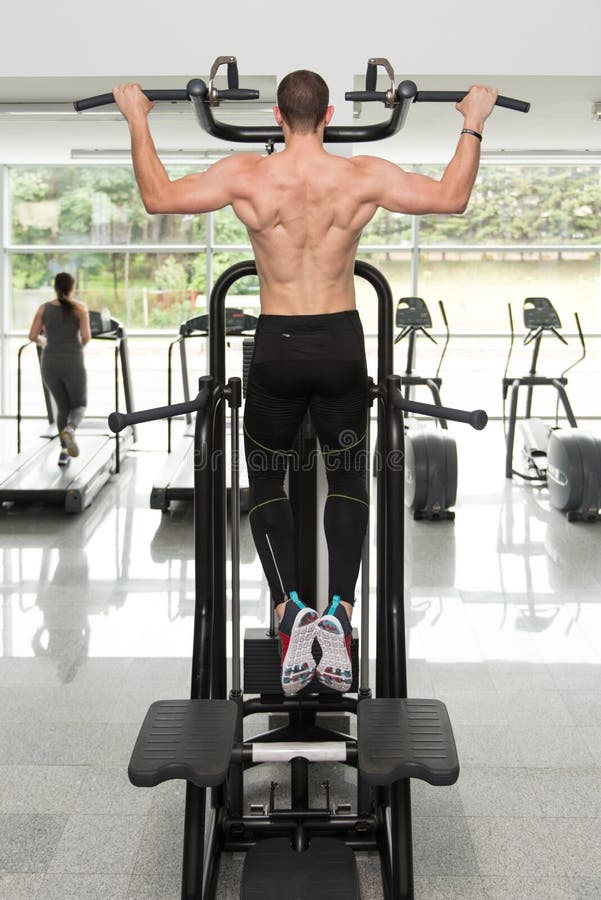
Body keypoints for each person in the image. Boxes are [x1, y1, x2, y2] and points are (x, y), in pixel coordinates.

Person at [113, 72, 497, 694]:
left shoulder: (247, 175)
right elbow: (452, 197)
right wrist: (474, 119)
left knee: (267, 479)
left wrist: (137, 115)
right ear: (330, 114)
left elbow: (158, 197)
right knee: (348, 479)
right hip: (342, 344)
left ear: (275, 116)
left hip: (278, 348)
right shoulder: (361, 176)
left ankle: (290, 610)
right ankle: (339, 613)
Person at [28, 272, 91, 466]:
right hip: (72, 361)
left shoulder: (44, 308)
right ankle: (70, 429)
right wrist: (75, 346)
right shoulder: (80, 309)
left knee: (62, 407)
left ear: (55, 288)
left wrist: (44, 341)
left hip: (49, 363)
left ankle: (64, 452)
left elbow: (32, 335)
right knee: (79, 405)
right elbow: (86, 337)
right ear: (72, 288)